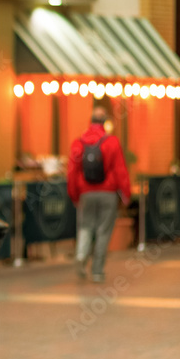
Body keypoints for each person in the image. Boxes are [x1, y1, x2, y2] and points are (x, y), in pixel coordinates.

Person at [67, 107, 131, 283]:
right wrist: (126, 194)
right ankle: (97, 270)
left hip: (86, 193)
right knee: (103, 230)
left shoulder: (78, 143)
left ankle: (81, 255)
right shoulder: (111, 142)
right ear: (104, 123)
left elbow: (72, 171)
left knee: (85, 226)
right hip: (107, 193)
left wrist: (74, 195)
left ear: (90, 121)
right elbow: (120, 170)